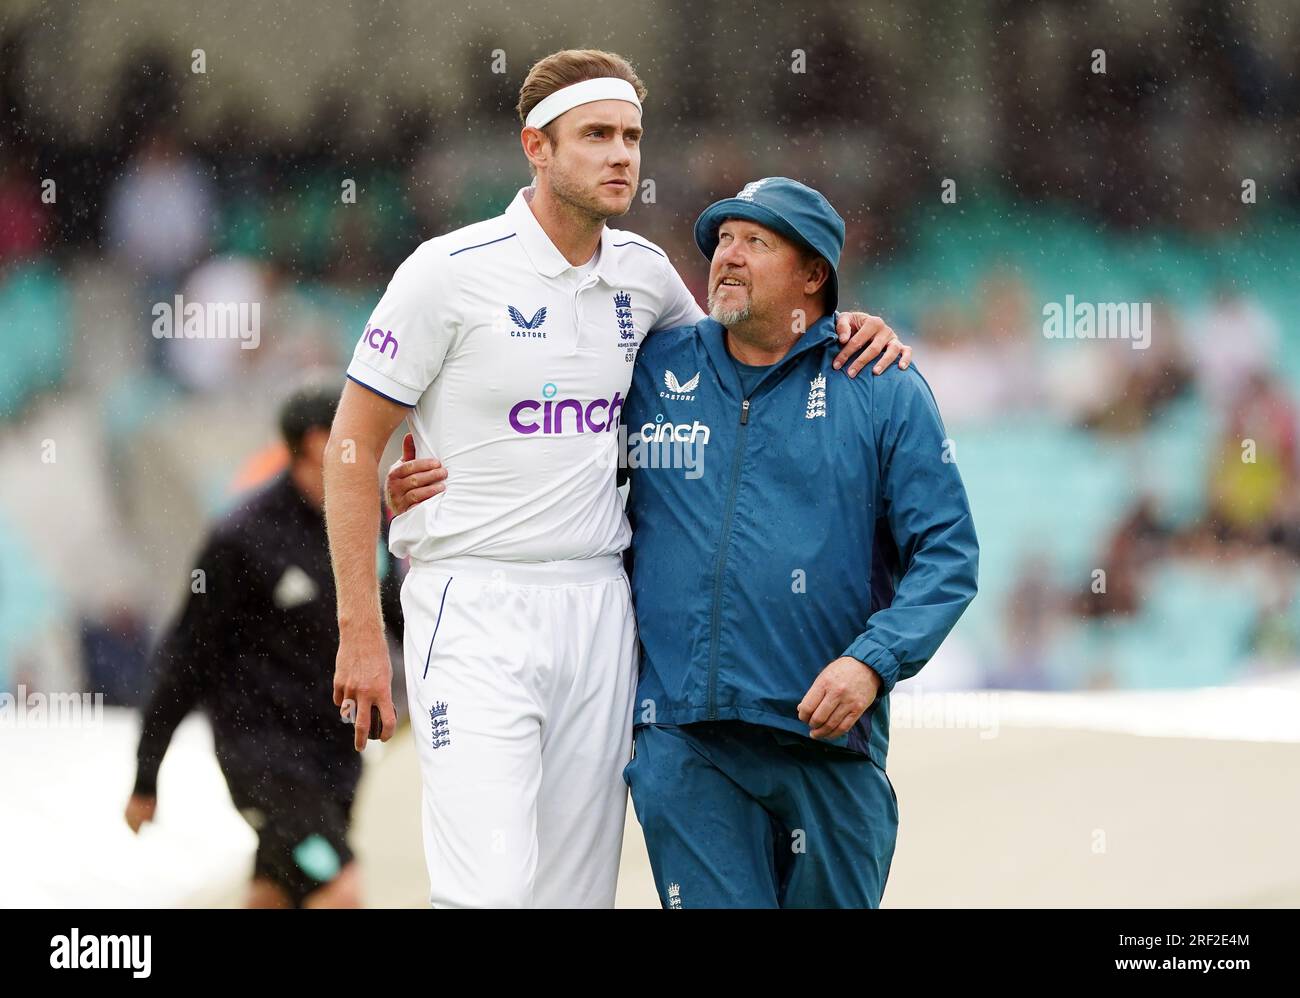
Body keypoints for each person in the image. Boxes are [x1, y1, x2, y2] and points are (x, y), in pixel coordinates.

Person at [326, 48, 911, 909]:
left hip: (601, 608)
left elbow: (743, 344)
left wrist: (840, 321)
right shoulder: (446, 272)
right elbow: (349, 445)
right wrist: (361, 630)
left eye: (632, 137)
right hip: (473, 601)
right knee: (486, 892)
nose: (621, 156)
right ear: (536, 146)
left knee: (573, 898)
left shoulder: (644, 275)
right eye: (596, 135)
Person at [619, 177, 979, 907]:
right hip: (688, 740)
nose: (729, 254)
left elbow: (948, 553)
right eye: (722, 239)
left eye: (757, 240)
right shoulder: (653, 369)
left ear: (814, 275)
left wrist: (872, 664)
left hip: (830, 747)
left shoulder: (882, 385)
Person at [125, 381, 403, 908]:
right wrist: (146, 774)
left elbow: (399, 614)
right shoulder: (242, 538)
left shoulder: (370, 521)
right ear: (320, 442)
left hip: (334, 752)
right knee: (338, 886)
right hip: (262, 757)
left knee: (276, 891)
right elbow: (186, 659)